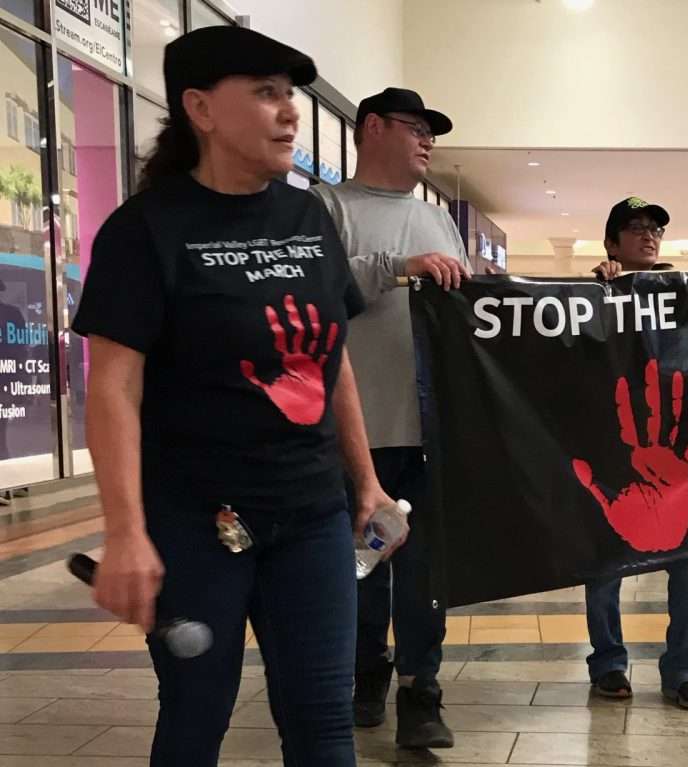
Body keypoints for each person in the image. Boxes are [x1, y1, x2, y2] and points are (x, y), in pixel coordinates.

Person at [71, 27, 397, 767]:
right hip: (197, 519)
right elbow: (114, 389)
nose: (289, 112)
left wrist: (367, 482)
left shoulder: (308, 217)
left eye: (291, 94)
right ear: (201, 109)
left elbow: (331, 360)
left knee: (324, 724)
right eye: (265, 92)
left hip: (311, 514)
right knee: (196, 713)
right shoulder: (145, 231)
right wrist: (126, 530)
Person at [312, 87, 469, 749]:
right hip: (354, 436)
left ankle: (420, 689)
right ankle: (366, 670)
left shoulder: (439, 218)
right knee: (361, 569)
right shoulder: (326, 207)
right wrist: (397, 269)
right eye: (416, 128)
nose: (428, 140)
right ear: (372, 127)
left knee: (427, 575)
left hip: (428, 432)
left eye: (433, 131)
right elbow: (314, 293)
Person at [587, 196, 688, 710]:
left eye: (654, 228)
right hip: (614, 444)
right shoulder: (593, 294)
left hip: (675, 452)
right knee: (603, 562)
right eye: (634, 228)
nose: (648, 235)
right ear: (612, 243)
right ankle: (608, 663)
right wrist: (592, 289)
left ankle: (684, 672)